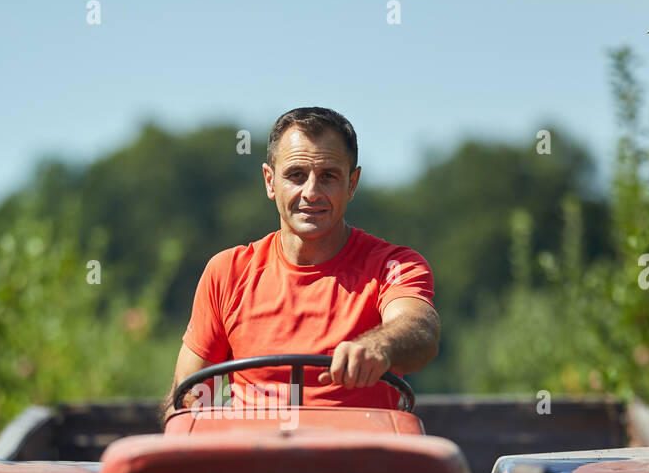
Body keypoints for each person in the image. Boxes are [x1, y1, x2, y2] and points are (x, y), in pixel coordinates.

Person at [159, 106, 440, 423]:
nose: (311, 192)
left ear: (352, 183)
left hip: (359, 464)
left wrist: (379, 346)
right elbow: (186, 399)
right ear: (270, 181)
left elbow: (420, 329)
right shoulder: (227, 272)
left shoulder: (393, 265)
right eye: (296, 175)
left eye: (329, 177)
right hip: (253, 462)